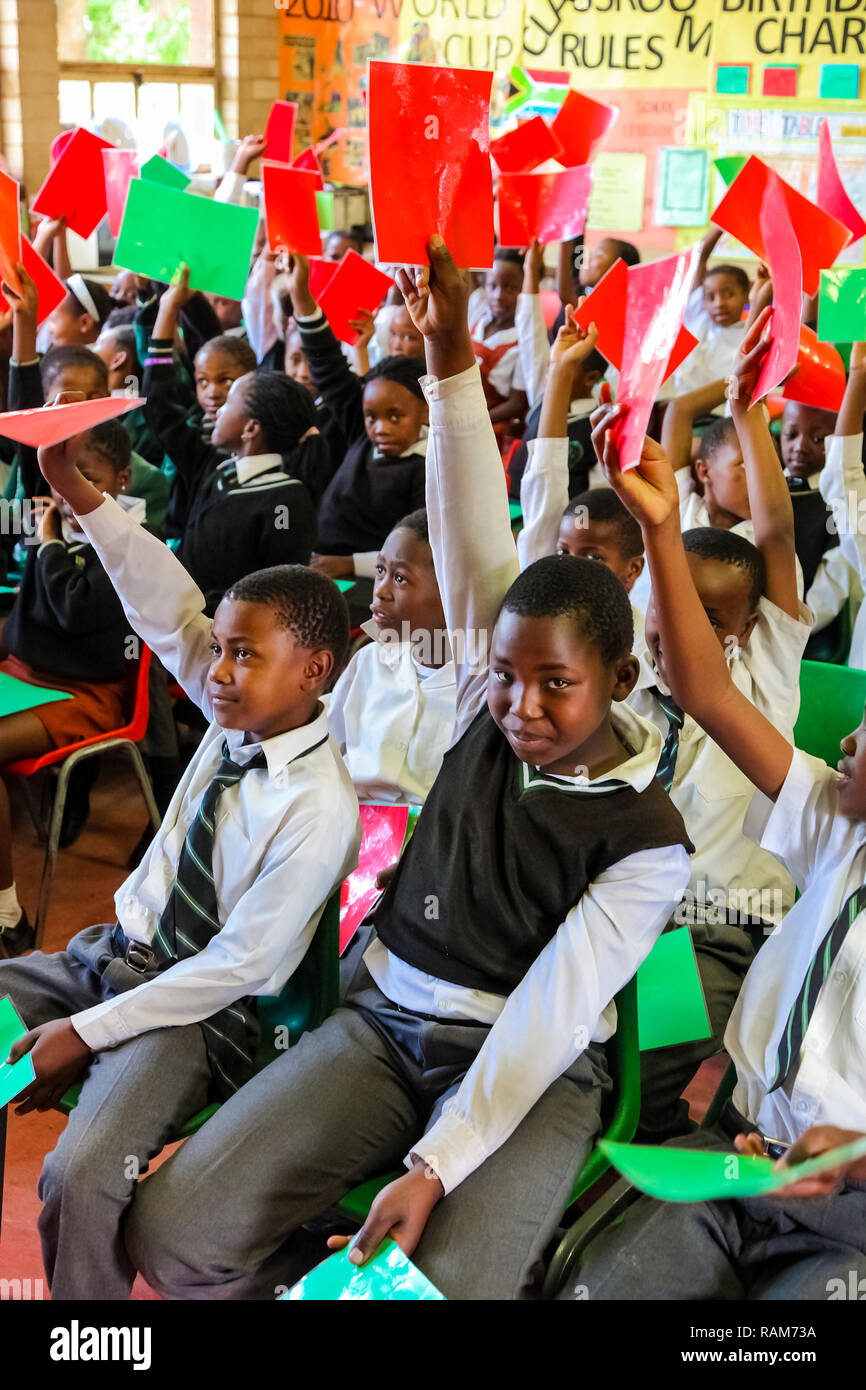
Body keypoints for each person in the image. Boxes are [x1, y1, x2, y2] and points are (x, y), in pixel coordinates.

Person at [121, 235, 692, 1303]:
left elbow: (549, 1011)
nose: (517, 706)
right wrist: (447, 356)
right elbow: (472, 526)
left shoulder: (646, 838)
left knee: (443, 1292)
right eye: (505, 676)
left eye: (554, 686)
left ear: (618, 676)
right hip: (384, 1022)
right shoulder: (491, 692)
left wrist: (436, 1164)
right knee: (174, 1225)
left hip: (529, 1068)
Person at [0, 426, 359, 1298]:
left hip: (197, 1012)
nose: (222, 671)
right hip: (107, 957)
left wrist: (83, 1036)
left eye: (247, 655)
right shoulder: (232, 714)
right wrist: (79, 495)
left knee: (78, 1177)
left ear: (314, 671)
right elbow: (166, 606)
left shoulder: (319, 806)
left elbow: (242, 967)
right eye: (223, 651)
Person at [560, 345, 866, 1302]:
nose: (846, 733)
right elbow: (694, 682)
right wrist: (658, 530)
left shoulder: (775, 671)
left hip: (841, 1201)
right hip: (739, 1150)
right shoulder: (835, 822)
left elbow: (775, 533)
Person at [0, 421, 139, 956]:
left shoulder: (126, 539)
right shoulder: (54, 524)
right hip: (26, 675)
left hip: (88, 694)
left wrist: (49, 544)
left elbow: (76, 610)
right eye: (60, 474)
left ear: (122, 480)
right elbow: (23, 625)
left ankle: (9, 913)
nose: (67, 487)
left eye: (87, 474)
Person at [286, 253, 428, 588]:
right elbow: (328, 365)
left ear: (425, 411)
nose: (381, 428)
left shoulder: (426, 467)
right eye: (371, 417)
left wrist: (349, 564)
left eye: (395, 416)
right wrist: (301, 297)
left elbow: (423, 551)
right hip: (320, 561)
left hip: (372, 580)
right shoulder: (363, 435)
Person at [324, 507, 454, 805]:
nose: (380, 591)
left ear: (451, 588)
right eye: (381, 570)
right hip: (349, 826)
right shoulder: (369, 661)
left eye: (400, 578)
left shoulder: (479, 691)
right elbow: (329, 749)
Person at [468, 247, 528, 446]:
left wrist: (475, 421)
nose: (498, 295)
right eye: (492, 286)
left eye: (511, 288)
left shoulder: (522, 342)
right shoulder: (478, 312)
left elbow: (517, 403)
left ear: (526, 289)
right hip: (458, 411)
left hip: (489, 427)